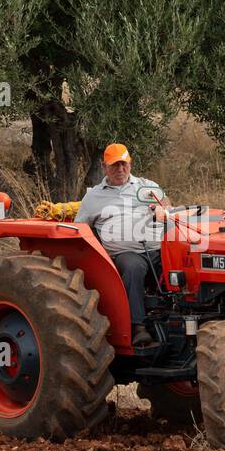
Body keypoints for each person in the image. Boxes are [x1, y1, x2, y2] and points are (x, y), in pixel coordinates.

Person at [75, 143, 169, 348]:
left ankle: (180, 321)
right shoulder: (93, 196)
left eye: (124, 165)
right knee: (133, 267)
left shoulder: (147, 187)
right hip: (124, 253)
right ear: (104, 167)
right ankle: (138, 328)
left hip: (155, 248)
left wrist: (162, 210)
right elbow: (79, 228)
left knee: (184, 264)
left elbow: (168, 209)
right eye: (114, 165)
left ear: (130, 164)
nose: (120, 170)